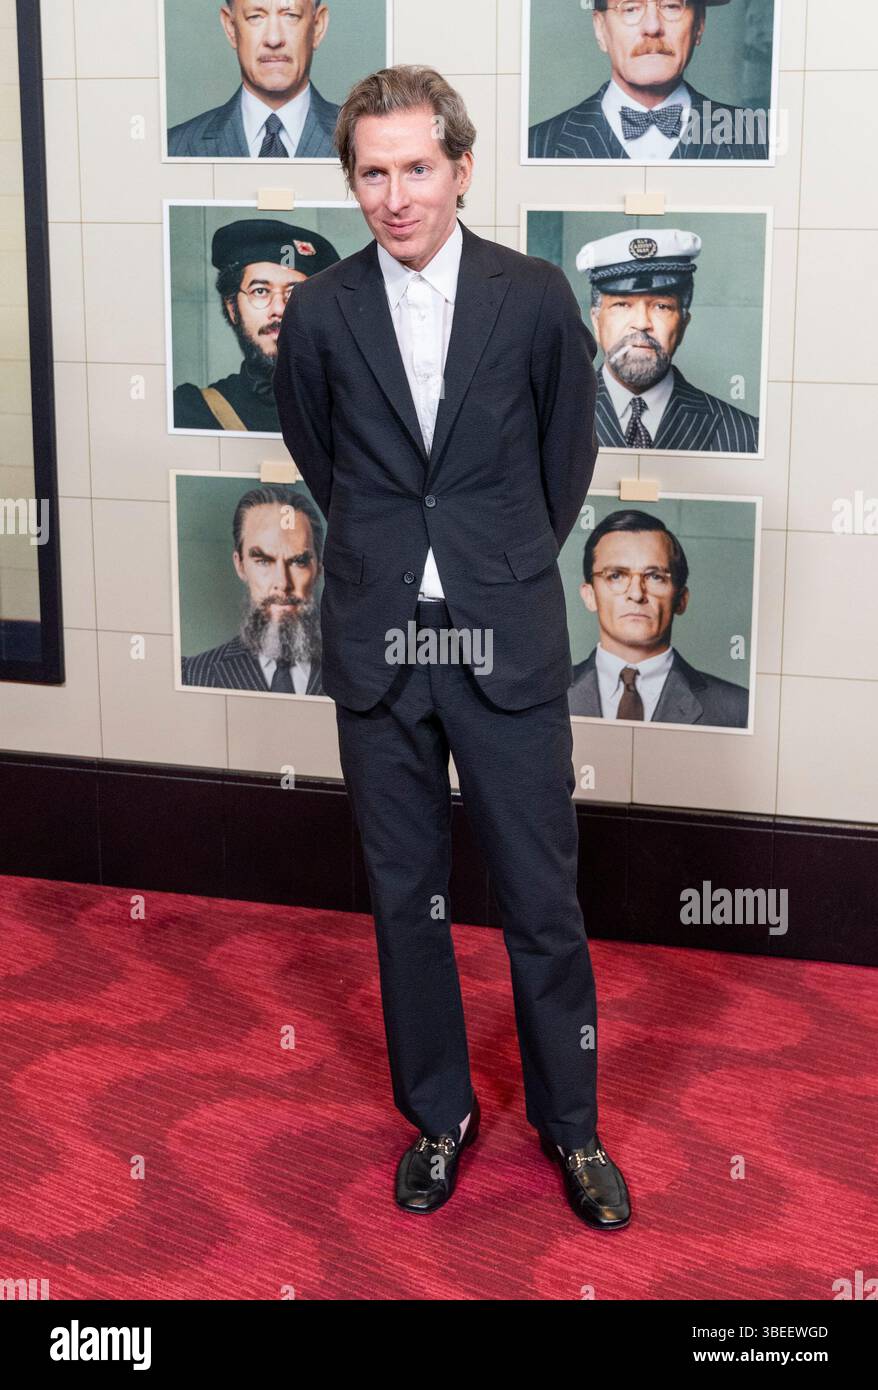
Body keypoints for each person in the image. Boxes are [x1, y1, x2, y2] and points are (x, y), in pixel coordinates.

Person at [274, 63, 631, 1229]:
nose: (395, 195)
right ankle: (440, 1114)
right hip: (381, 640)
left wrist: (490, 556)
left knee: (539, 897)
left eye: (416, 167)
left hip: (502, 631)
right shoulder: (321, 313)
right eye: (371, 173)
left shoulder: (530, 299)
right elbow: (322, 461)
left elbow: (562, 464)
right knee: (405, 899)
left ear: (461, 168)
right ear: (353, 182)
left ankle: (569, 1127)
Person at [578, 228, 759, 453]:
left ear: (684, 322)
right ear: (596, 320)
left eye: (661, 306)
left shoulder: (745, 434)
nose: (642, 322)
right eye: (622, 304)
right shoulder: (557, 415)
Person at [568, 509, 749, 726]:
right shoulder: (546, 694)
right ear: (589, 596)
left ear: (681, 599)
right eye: (616, 575)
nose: (636, 594)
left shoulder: (737, 708)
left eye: (655, 577)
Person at [528, 0, 769, 163]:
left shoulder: (760, 138)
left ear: (699, 25)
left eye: (672, 5)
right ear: (600, 29)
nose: (652, 27)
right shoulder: (535, 145)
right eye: (630, 7)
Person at [173, 220, 340, 433]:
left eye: (295, 293)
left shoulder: (352, 406)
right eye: (260, 291)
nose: (279, 309)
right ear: (233, 308)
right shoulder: (194, 411)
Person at [182, 485, 324, 695]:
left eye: (298, 562)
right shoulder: (194, 674)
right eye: (263, 561)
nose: (282, 583)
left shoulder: (358, 669)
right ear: (240, 565)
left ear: (319, 567)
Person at [168, 0, 340, 159]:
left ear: (318, 26)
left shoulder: (359, 137)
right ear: (230, 27)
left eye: (291, 15)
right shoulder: (174, 147)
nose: (274, 39)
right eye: (255, 16)